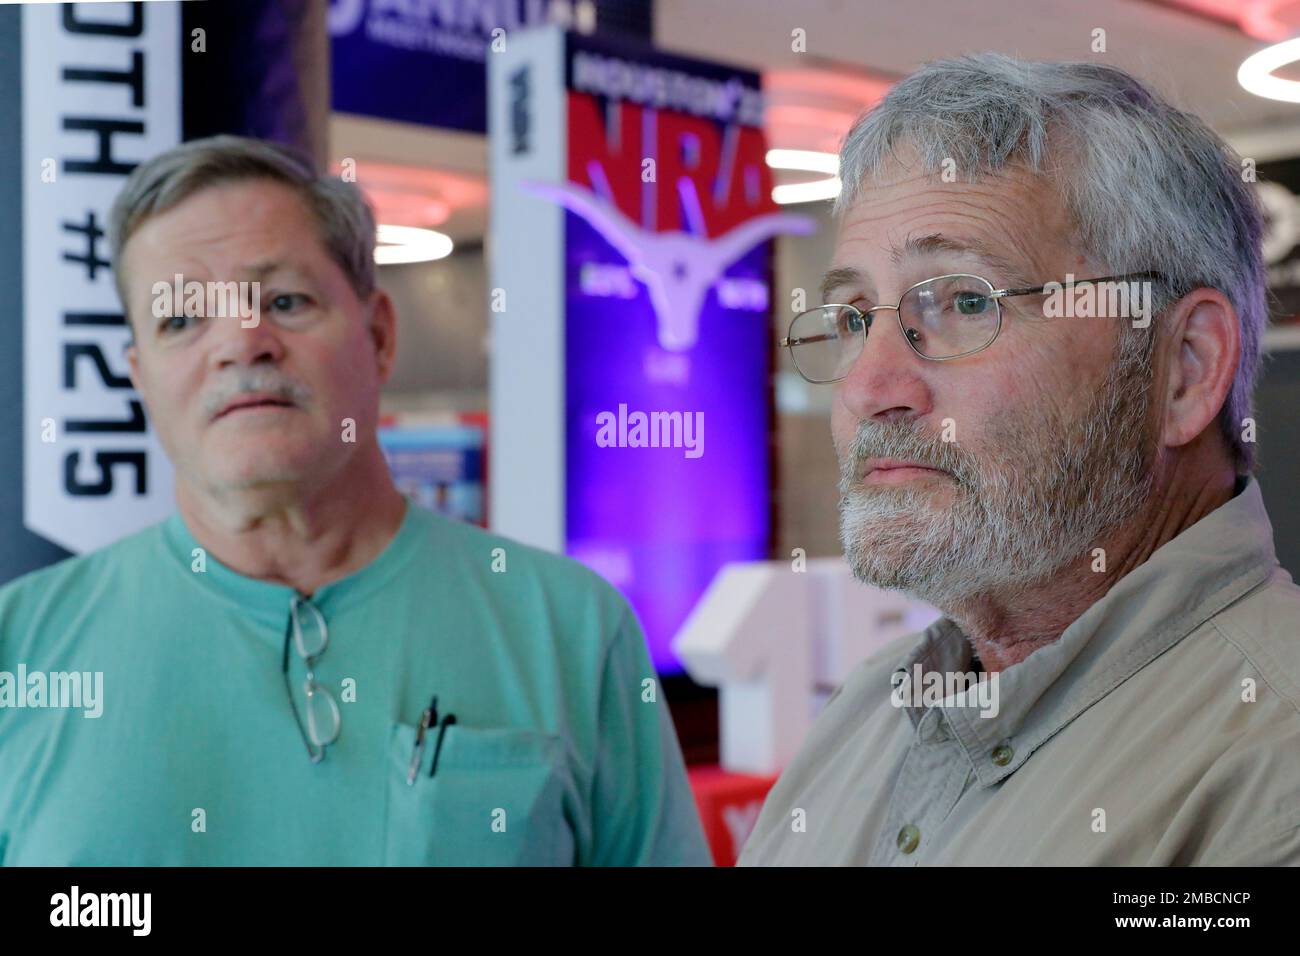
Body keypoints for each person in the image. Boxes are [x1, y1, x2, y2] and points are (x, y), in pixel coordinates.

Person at [0, 134, 709, 866]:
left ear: (378, 335)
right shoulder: (19, 647)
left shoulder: (572, 628)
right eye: (182, 319)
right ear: (141, 378)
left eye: (284, 300)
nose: (244, 341)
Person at [741, 53, 1300, 865]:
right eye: (855, 317)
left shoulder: (1273, 766)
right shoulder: (865, 711)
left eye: (965, 302)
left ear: (1183, 369)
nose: (870, 387)